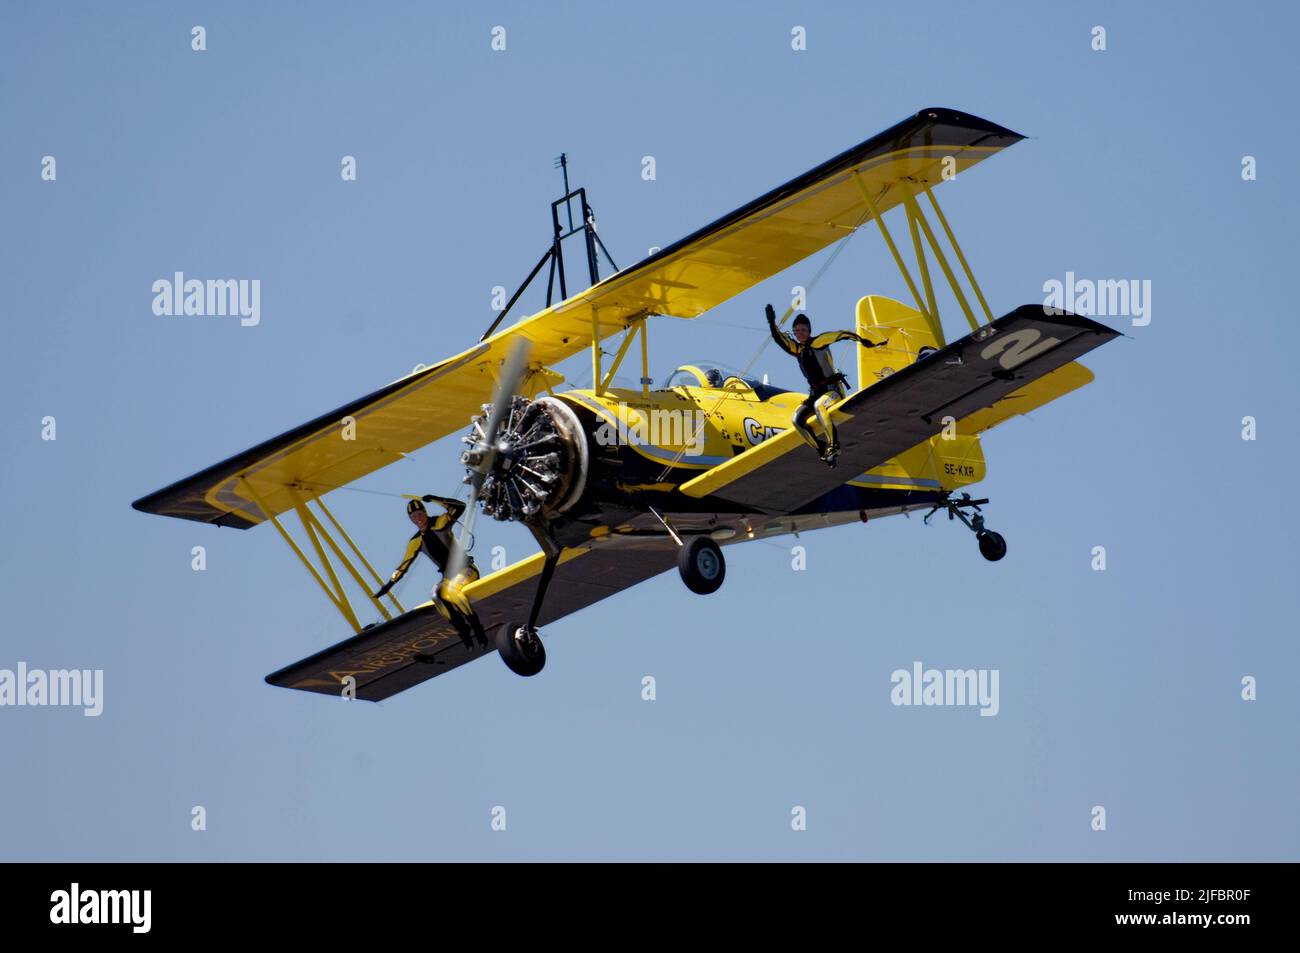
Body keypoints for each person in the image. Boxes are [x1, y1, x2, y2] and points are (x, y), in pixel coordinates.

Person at [765, 303, 887, 466]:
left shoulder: (818, 342)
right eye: (796, 331)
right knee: (797, 420)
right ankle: (821, 449)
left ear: (809, 330)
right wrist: (772, 324)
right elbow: (780, 340)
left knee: (819, 407)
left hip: (833, 390)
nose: (799, 333)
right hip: (816, 392)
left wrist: (863, 341)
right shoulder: (797, 349)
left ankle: (834, 446)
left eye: (802, 329)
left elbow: (840, 334)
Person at [374, 495, 487, 651]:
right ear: (410, 519)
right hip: (449, 577)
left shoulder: (439, 523)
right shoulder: (415, 541)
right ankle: (465, 635)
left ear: (425, 513)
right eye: (413, 517)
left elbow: (459, 506)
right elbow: (403, 565)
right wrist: (389, 585)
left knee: (451, 592)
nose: (418, 518)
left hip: (466, 570)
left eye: (420, 514)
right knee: (436, 595)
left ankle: (479, 631)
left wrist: (435, 499)